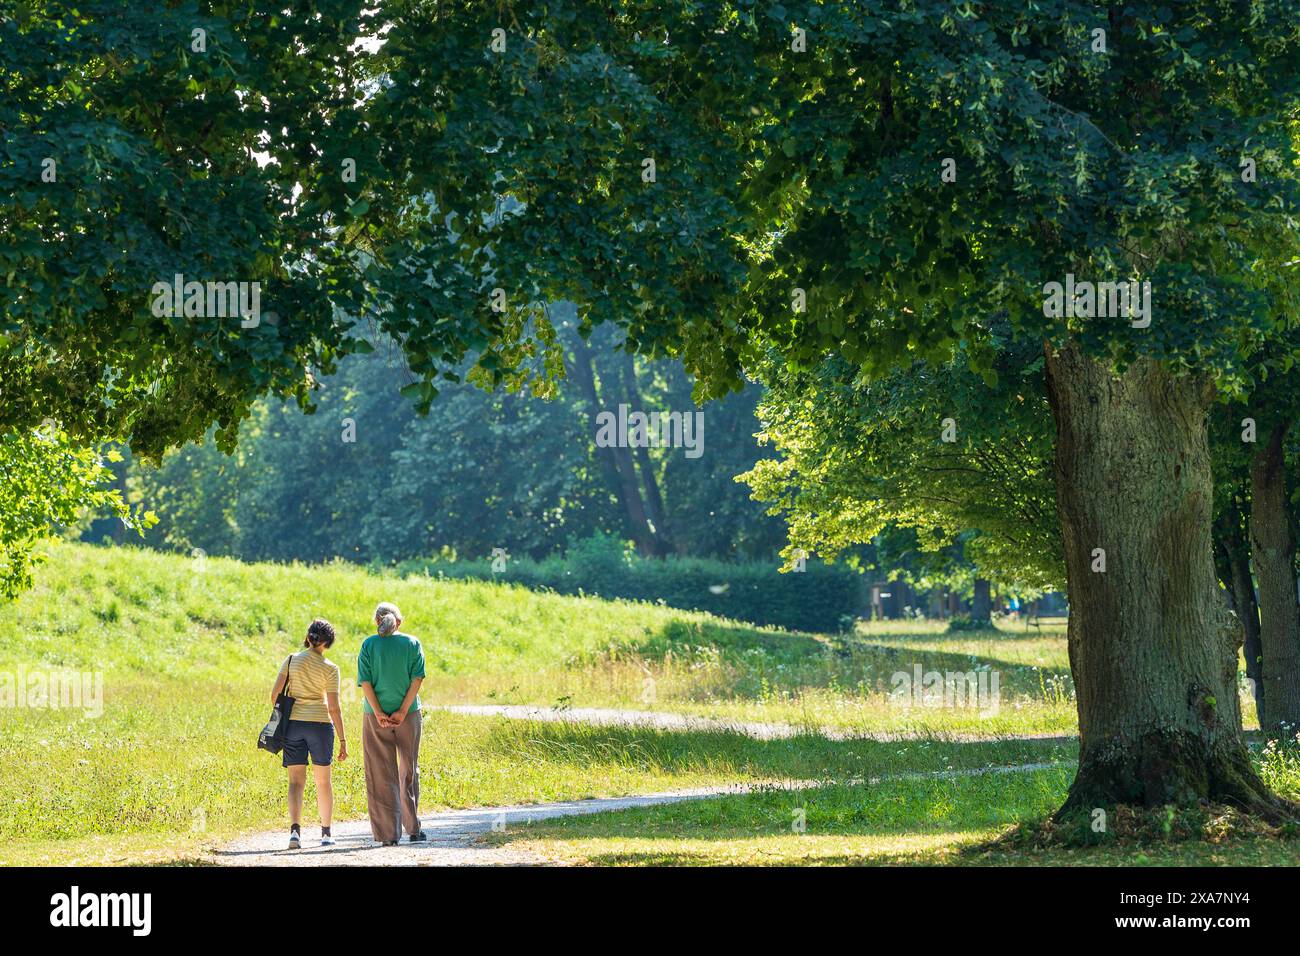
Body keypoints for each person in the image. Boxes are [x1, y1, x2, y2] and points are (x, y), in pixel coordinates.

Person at [270, 618, 347, 849]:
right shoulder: (331, 669)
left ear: (309, 637)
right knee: (323, 782)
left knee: (295, 782)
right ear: (328, 643)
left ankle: (295, 833)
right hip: (320, 726)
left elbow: (274, 695)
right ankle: (325, 834)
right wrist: (343, 740)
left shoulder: (291, 660)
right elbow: (333, 707)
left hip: (293, 724)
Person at [357, 602, 427, 845]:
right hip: (408, 717)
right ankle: (414, 829)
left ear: (377, 621)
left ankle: (388, 835)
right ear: (399, 621)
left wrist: (378, 713)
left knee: (379, 772)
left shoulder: (368, 645)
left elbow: (365, 682)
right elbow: (417, 678)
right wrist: (403, 710)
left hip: (375, 718)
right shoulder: (412, 643)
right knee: (408, 769)